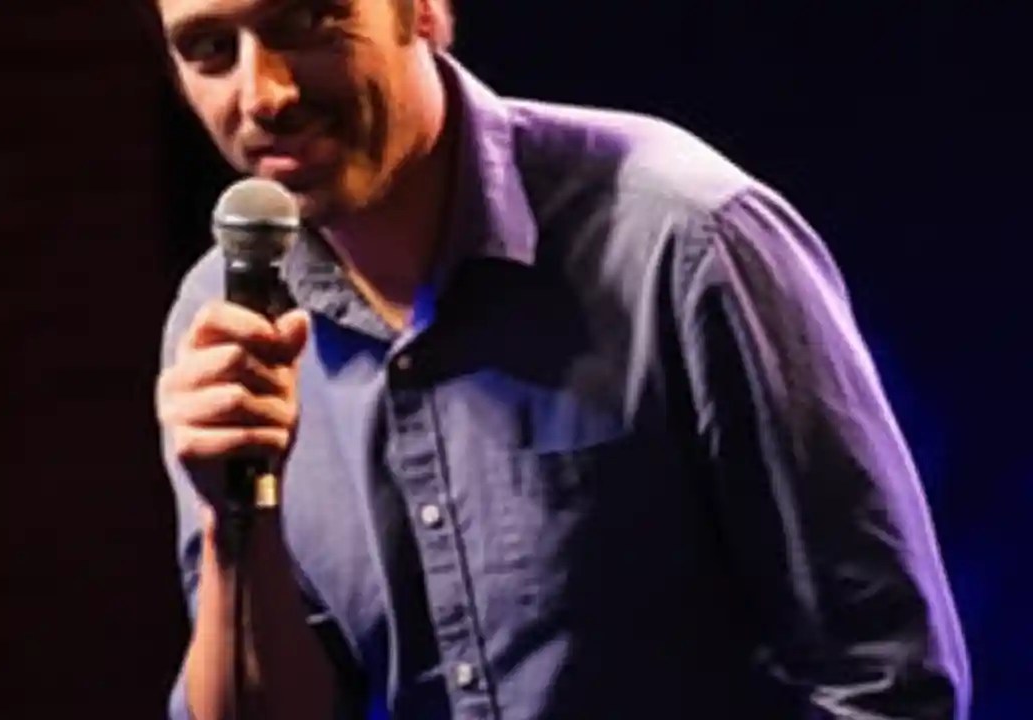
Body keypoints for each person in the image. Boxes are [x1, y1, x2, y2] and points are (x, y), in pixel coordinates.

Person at [150, 0, 971, 718]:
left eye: (306, 21)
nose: (264, 94)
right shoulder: (220, 317)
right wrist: (236, 525)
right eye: (210, 50)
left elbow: (885, 678)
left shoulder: (683, 241)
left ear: (424, 10)